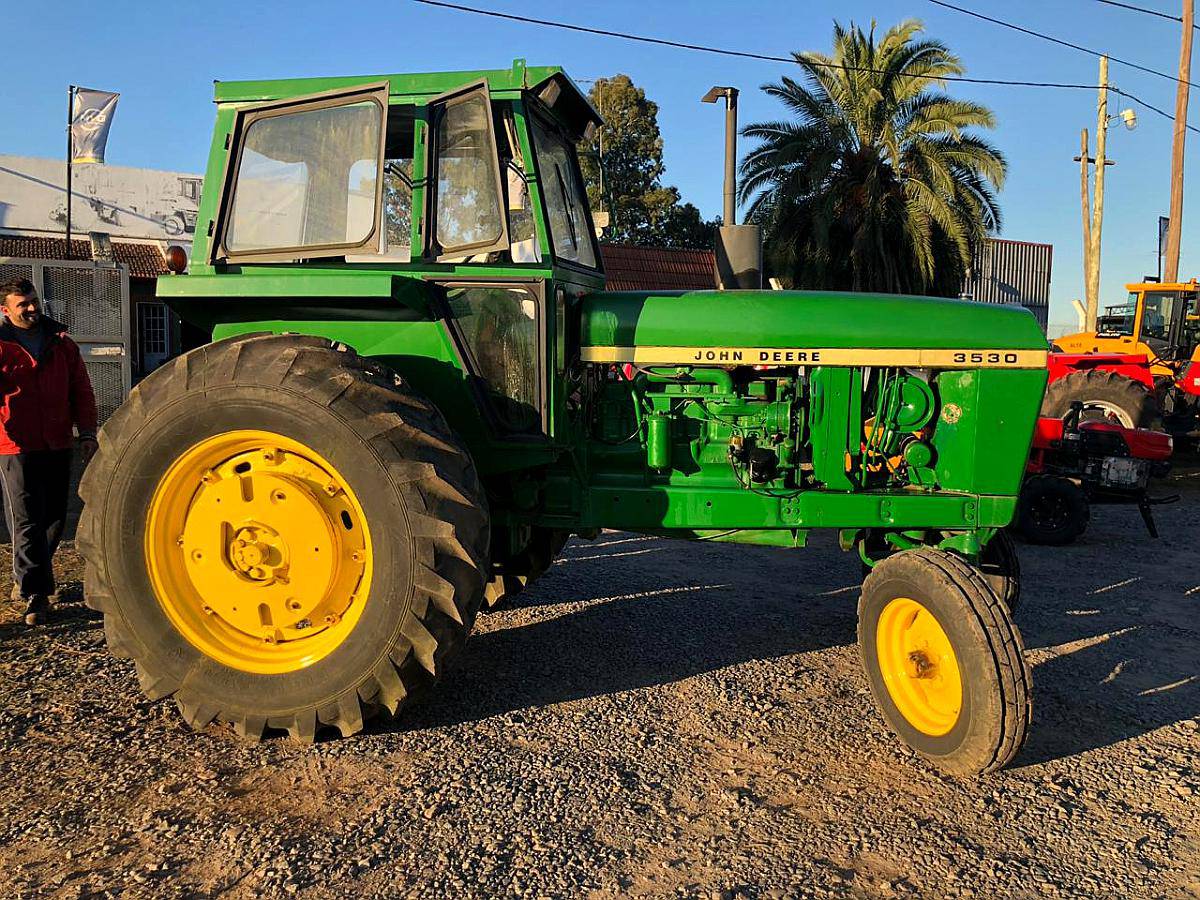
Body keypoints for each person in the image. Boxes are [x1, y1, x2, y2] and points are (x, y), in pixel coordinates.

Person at [0, 277, 97, 626]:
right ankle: (35, 595)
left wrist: (86, 432)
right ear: (6, 309)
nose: (30, 308)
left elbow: (81, 390)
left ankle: (32, 577)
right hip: (15, 445)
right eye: (22, 304)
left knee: (55, 517)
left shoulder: (61, 344)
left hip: (57, 440)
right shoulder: (1, 345)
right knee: (26, 518)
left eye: (33, 301)